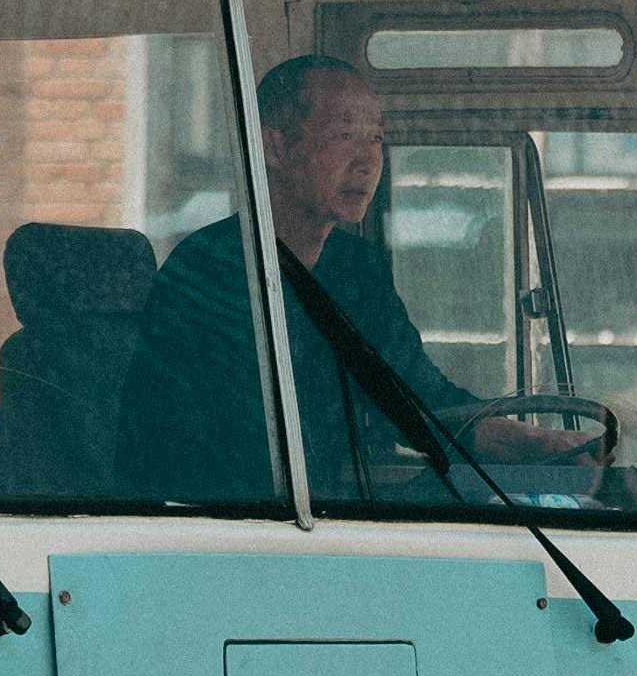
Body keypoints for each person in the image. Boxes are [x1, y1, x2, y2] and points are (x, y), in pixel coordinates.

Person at [118, 52, 458, 504]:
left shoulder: (357, 268)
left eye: (376, 138)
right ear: (275, 148)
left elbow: (419, 397)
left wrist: (544, 444)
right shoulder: (208, 272)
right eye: (344, 136)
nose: (367, 161)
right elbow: (213, 451)